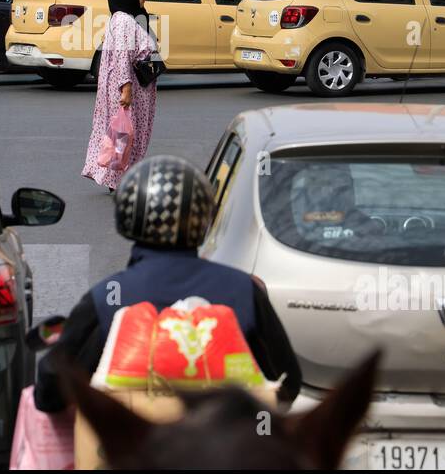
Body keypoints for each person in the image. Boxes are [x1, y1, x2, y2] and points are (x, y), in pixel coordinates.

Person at [33, 155, 303, 413]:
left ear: (127, 216)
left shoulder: (107, 298)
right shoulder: (243, 291)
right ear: (204, 218)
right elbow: (285, 384)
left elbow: (50, 395)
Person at [81, 0, 157, 192]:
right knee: (127, 133)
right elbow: (123, 55)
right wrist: (126, 87)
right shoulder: (124, 21)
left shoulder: (122, 18)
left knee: (121, 133)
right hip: (130, 85)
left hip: (131, 84)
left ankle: (117, 177)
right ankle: (123, 178)